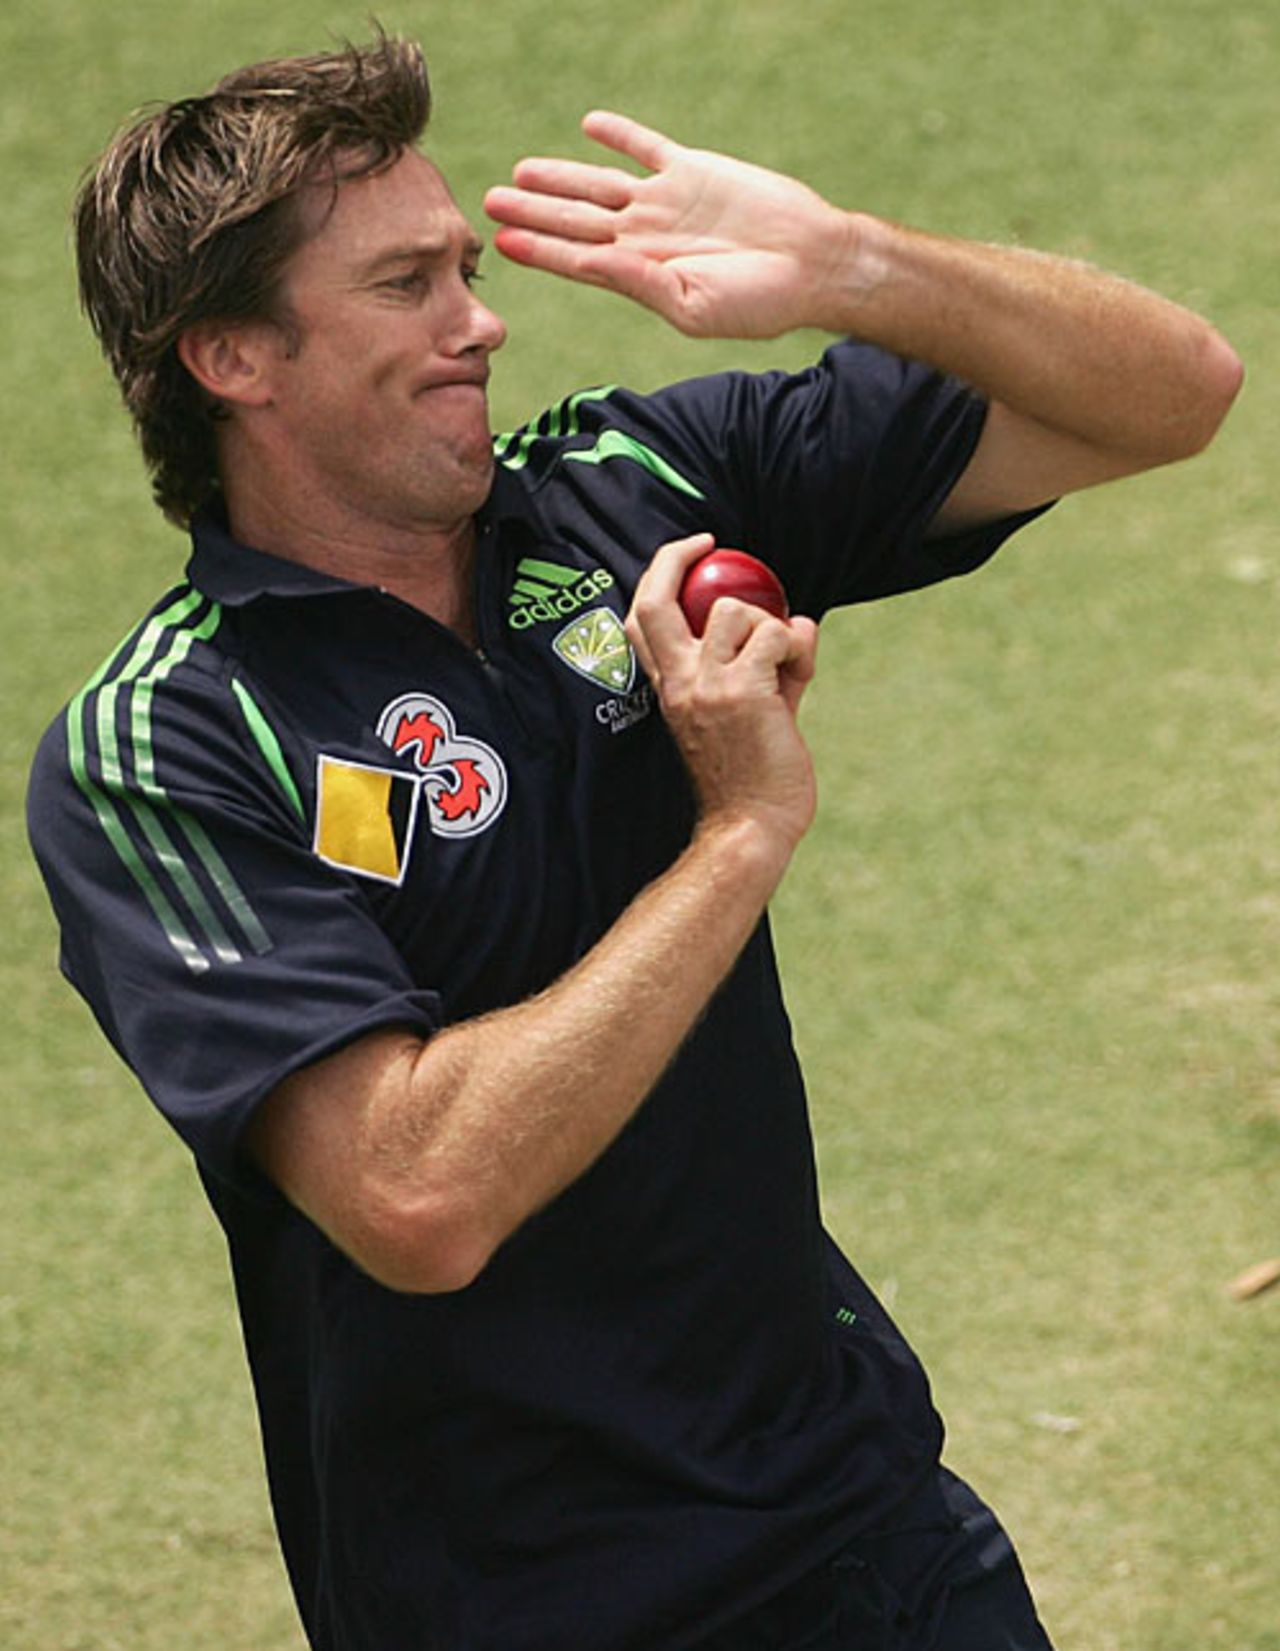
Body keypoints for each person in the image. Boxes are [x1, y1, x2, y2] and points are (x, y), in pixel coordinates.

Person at [27, 31, 1239, 1651]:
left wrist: (853, 265)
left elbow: (1175, 393)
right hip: (539, 1605)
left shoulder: (633, 488)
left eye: (463, 269)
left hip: (866, 1530)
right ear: (231, 355)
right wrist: (739, 829)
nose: (480, 322)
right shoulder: (169, 746)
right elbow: (417, 1195)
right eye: (406, 289)